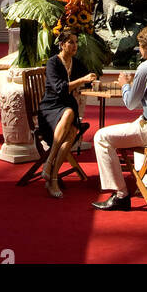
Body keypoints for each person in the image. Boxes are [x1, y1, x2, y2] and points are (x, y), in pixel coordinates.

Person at [93, 25, 147, 211]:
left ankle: (120, 194)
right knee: (136, 124)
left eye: (140, 45)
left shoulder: (146, 67)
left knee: (101, 137)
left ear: (145, 47)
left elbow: (130, 104)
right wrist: (134, 84)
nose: (139, 49)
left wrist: (125, 85)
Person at [38, 29, 96, 198]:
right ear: (62, 45)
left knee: (71, 133)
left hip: (65, 109)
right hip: (49, 109)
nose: (75, 46)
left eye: (76, 42)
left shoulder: (75, 63)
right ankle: (49, 165)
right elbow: (59, 88)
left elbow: (87, 78)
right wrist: (82, 81)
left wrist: (90, 82)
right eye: (71, 42)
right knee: (70, 113)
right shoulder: (52, 63)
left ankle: (53, 176)